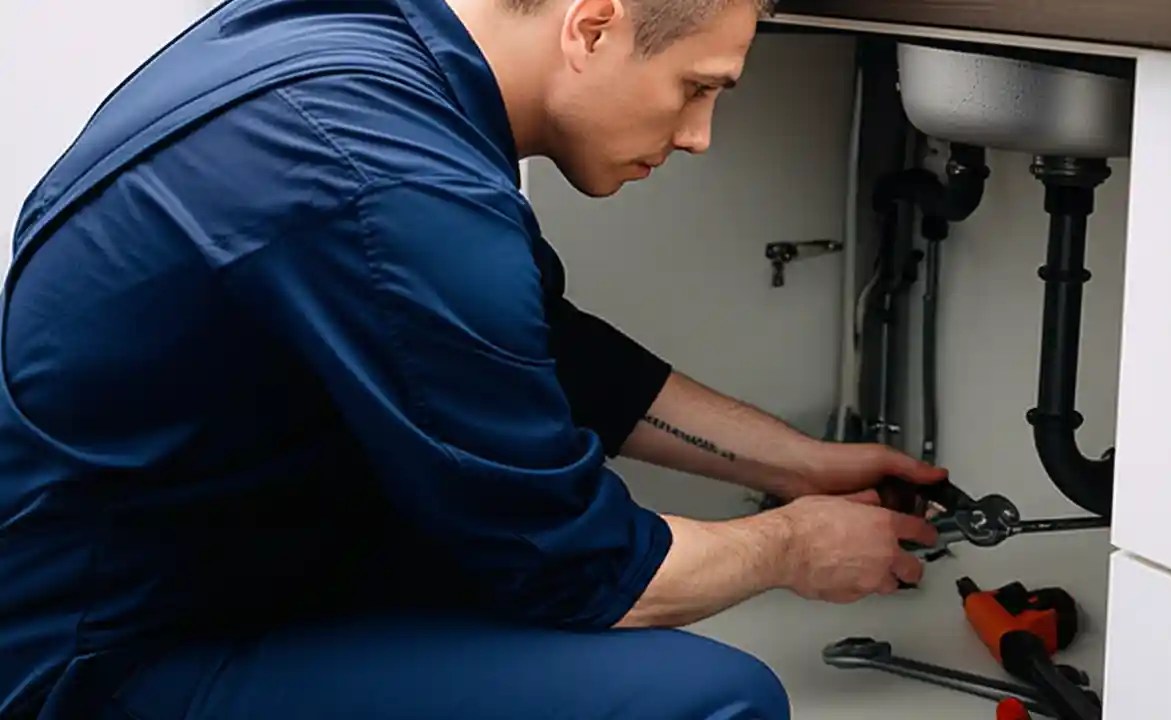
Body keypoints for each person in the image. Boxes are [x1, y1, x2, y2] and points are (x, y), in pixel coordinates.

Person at [0, 0, 946, 717]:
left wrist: (799, 463)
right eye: (698, 88)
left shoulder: (363, 52)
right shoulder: (393, 182)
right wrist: (792, 545)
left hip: (226, 556)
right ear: (593, 27)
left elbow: (531, 347)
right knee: (712, 699)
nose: (699, 136)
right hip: (112, 657)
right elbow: (585, 570)